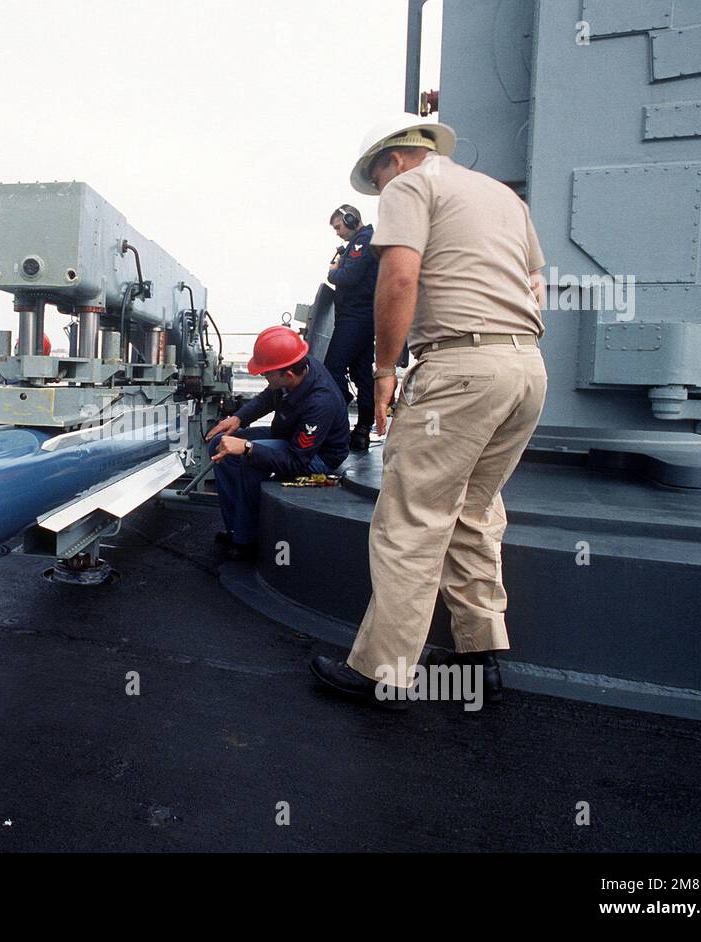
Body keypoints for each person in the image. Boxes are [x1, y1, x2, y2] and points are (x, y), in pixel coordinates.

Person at [310, 113, 548, 709]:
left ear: (391, 161)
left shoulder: (412, 187)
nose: (381, 193)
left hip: (458, 369)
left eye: (378, 179)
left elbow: (399, 278)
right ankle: (480, 654)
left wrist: (385, 370)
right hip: (525, 369)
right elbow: (537, 283)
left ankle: (381, 671)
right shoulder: (502, 197)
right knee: (474, 511)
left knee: (411, 518)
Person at [206, 326, 351, 561]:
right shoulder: (295, 366)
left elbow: (296, 460)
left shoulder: (320, 403)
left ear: (288, 375)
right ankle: (236, 528)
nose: (263, 377)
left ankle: (247, 540)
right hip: (289, 436)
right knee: (219, 446)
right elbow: (269, 395)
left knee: (248, 460)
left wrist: (247, 447)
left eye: (266, 374)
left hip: (317, 457)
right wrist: (238, 418)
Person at [325, 204, 379, 450]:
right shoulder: (360, 243)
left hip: (354, 318)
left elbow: (349, 277)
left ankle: (338, 414)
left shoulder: (362, 241)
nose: (337, 232)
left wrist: (333, 273)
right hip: (363, 318)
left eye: (339, 226)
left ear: (350, 219)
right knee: (362, 375)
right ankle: (362, 430)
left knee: (332, 369)